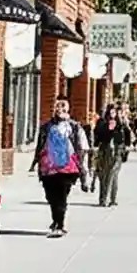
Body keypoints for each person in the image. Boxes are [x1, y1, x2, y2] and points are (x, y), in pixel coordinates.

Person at [30, 98, 88, 238]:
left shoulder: (74, 127)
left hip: (68, 168)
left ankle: (59, 224)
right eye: (58, 105)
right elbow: (40, 145)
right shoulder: (46, 126)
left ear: (68, 108)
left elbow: (82, 147)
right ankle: (56, 220)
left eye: (63, 105)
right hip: (48, 167)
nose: (60, 108)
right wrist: (35, 163)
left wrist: (84, 171)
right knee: (51, 196)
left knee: (61, 196)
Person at [93, 104, 132, 207]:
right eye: (110, 112)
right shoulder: (102, 123)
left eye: (114, 113)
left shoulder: (121, 124)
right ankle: (103, 199)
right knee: (104, 175)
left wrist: (127, 146)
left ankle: (111, 199)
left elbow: (127, 135)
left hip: (117, 151)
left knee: (112, 174)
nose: (112, 115)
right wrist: (107, 129)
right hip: (105, 151)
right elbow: (98, 135)